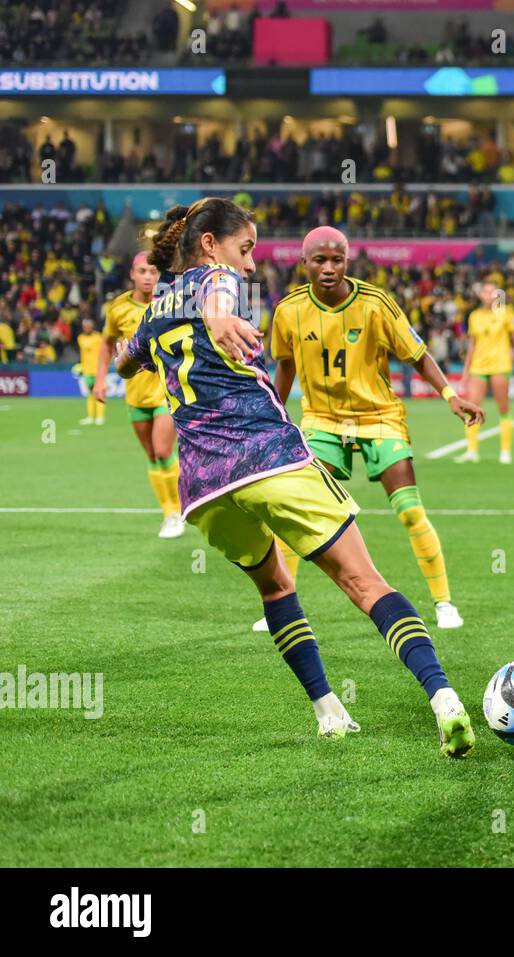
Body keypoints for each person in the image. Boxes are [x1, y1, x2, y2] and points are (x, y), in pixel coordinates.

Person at [114, 197, 476, 755]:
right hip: (268, 457)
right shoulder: (218, 279)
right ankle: (444, 699)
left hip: (204, 486)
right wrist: (215, 314)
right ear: (211, 245)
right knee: (365, 583)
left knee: (277, 587)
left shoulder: (155, 305)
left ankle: (329, 713)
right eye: (246, 248)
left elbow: (125, 362)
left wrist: (127, 354)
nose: (252, 263)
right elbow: (217, 294)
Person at [254, 226, 483, 633]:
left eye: (336, 260)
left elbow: (416, 354)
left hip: (379, 418)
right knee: (297, 511)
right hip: (322, 421)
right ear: (304, 263)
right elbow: (285, 365)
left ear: (348, 261)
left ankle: (444, 603)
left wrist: (450, 394)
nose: (328, 268)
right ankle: (280, 605)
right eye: (320, 260)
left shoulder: (376, 303)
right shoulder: (288, 311)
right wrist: (272, 414)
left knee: (411, 512)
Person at [95, 253, 184, 538]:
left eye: (153, 271)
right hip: (134, 395)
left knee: (161, 449)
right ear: (132, 274)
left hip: (166, 391)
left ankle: (177, 512)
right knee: (152, 456)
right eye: (142, 271)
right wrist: (100, 381)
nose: (148, 276)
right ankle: (169, 510)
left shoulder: (171, 304)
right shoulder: (118, 307)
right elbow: (106, 343)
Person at [454, 280, 514, 464]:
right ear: (481, 295)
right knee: (472, 407)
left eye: (492, 292)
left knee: (503, 408)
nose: (489, 295)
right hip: (478, 367)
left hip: (500, 366)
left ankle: (505, 451)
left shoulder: (507, 313)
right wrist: (466, 371)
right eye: (485, 291)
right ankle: (472, 451)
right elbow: (472, 345)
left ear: (498, 295)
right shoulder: (475, 316)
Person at [76, 317, 106, 426]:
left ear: (92, 326)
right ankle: (90, 416)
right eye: (85, 326)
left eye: (88, 326)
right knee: (90, 394)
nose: (87, 328)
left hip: (98, 370)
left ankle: (100, 416)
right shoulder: (80, 338)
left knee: (99, 393)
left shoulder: (98, 337)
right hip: (87, 370)